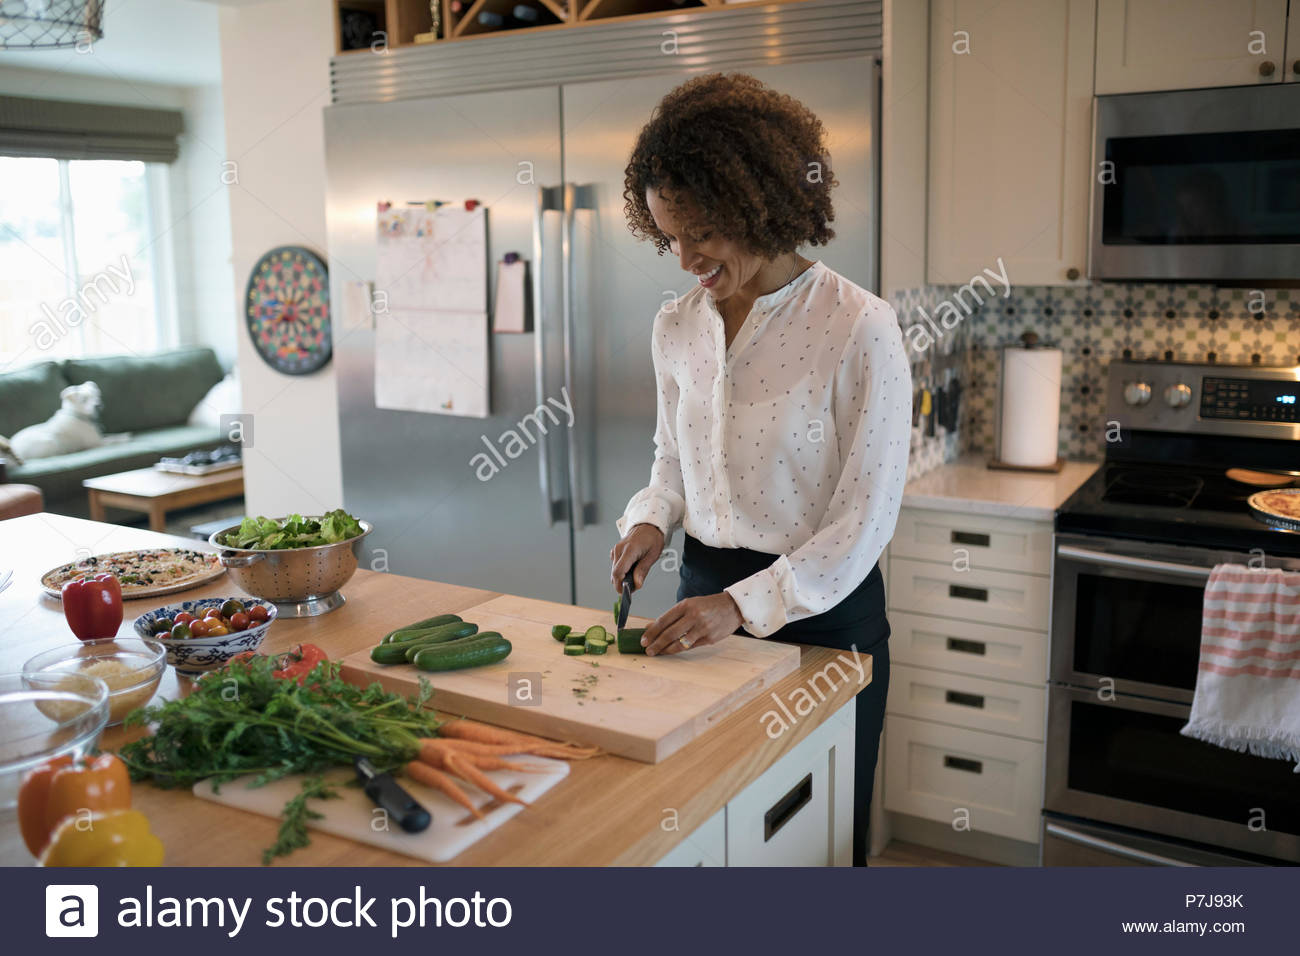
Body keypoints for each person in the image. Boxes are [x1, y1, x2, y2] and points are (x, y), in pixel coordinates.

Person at [608, 73, 911, 866]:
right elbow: (674, 455)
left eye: (702, 232)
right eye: (669, 234)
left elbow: (864, 522)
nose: (684, 259)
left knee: (813, 846)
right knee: (715, 834)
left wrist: (740, 607)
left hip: (824, 619)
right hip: (701, 601)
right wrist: (649, 516)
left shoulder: (860, 327)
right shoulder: (676, 326)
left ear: (761, 205)